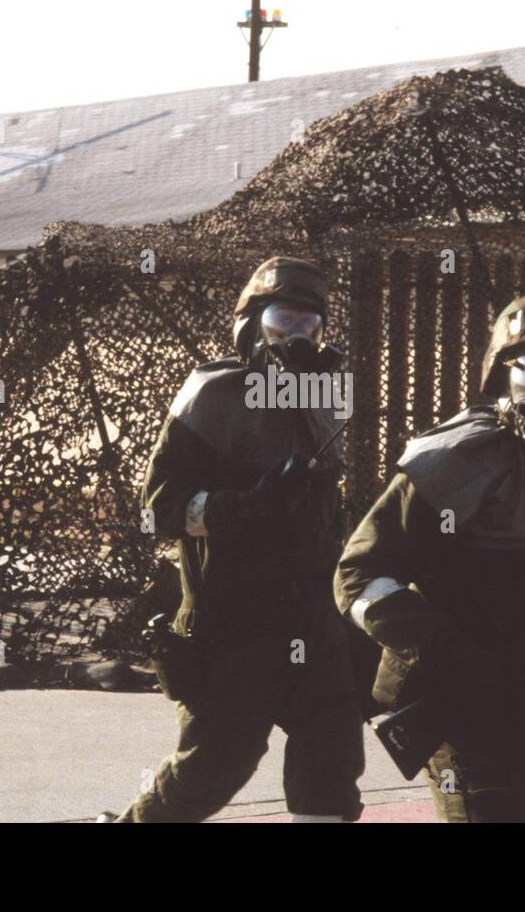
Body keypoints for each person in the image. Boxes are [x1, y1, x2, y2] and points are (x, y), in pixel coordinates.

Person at [335, 293, 525, 822]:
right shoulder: (451, 462)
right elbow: (358, 574)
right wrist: (437, 643)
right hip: (459, 695)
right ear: (503, 378)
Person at [106, 256, 364, 822]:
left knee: (331, 762)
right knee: (212, 767)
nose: (295, 336)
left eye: (308, 324)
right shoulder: (211, 396)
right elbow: (158, 510)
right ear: (250, 325)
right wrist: (239, 509)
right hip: (231, 623)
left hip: (313, 620)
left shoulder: (325, 399)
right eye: (281, 320)